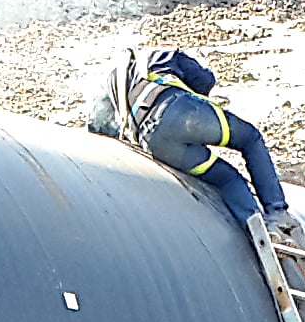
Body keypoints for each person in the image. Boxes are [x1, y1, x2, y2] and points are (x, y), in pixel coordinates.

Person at [125, 49, 295, 228]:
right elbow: (204, 81)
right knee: (250, 139)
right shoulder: (159, 56)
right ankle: (277, 212)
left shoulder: (121, 89)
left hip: (154, 142)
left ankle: (255, 224)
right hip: (179, 110)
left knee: (227, 178)